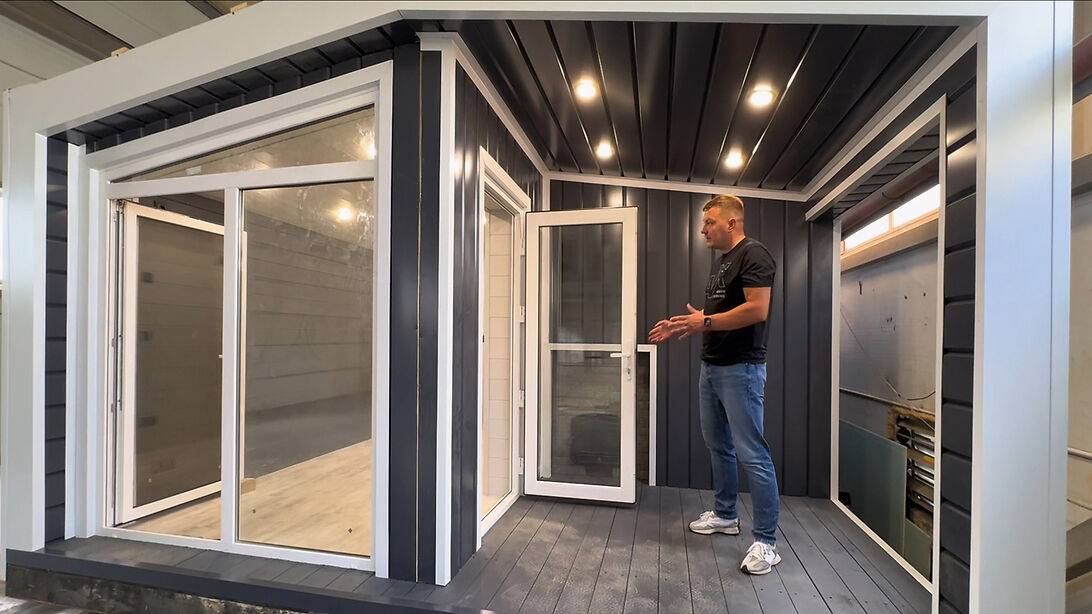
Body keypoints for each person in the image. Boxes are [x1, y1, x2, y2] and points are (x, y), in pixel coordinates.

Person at [648, 194, 781, 575]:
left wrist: (704, 322)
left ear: (731, 223)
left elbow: (757, 309)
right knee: (718, 445)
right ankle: (726, 515)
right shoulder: (723, 262)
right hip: (712, 367)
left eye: (709, 222)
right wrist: (688, 323)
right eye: (703, 223)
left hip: (742, 369)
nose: (703, 229)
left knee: (752, 453)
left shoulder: (755, 255)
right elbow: (722, 313)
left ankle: (766, 543)